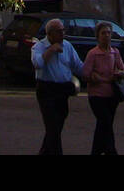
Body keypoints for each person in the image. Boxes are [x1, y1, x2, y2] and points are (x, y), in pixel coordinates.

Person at [31, 18, 86, 155]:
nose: (63, 34)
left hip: (63, 90)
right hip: (47, 90)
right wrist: (51, 50)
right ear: (49, 34)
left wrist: (92, 73)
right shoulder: (39, 47)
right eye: (59, 32)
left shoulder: (67, 46)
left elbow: (78, 65)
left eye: (63, 31)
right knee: (52, 127)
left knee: (57, 127)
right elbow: (38, 64)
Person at [82, 21, 124, 156]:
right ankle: (111, 151)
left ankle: (96, 151)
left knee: (104, 125)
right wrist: (93, 77)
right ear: (98, 36)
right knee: (105, 122)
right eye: (103, 33)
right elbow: (85, 74)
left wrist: (120, 74)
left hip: (112, 95)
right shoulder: (93, 54)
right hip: (97, 95)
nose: (106, 36)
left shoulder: (115, 52)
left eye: (108, 33)